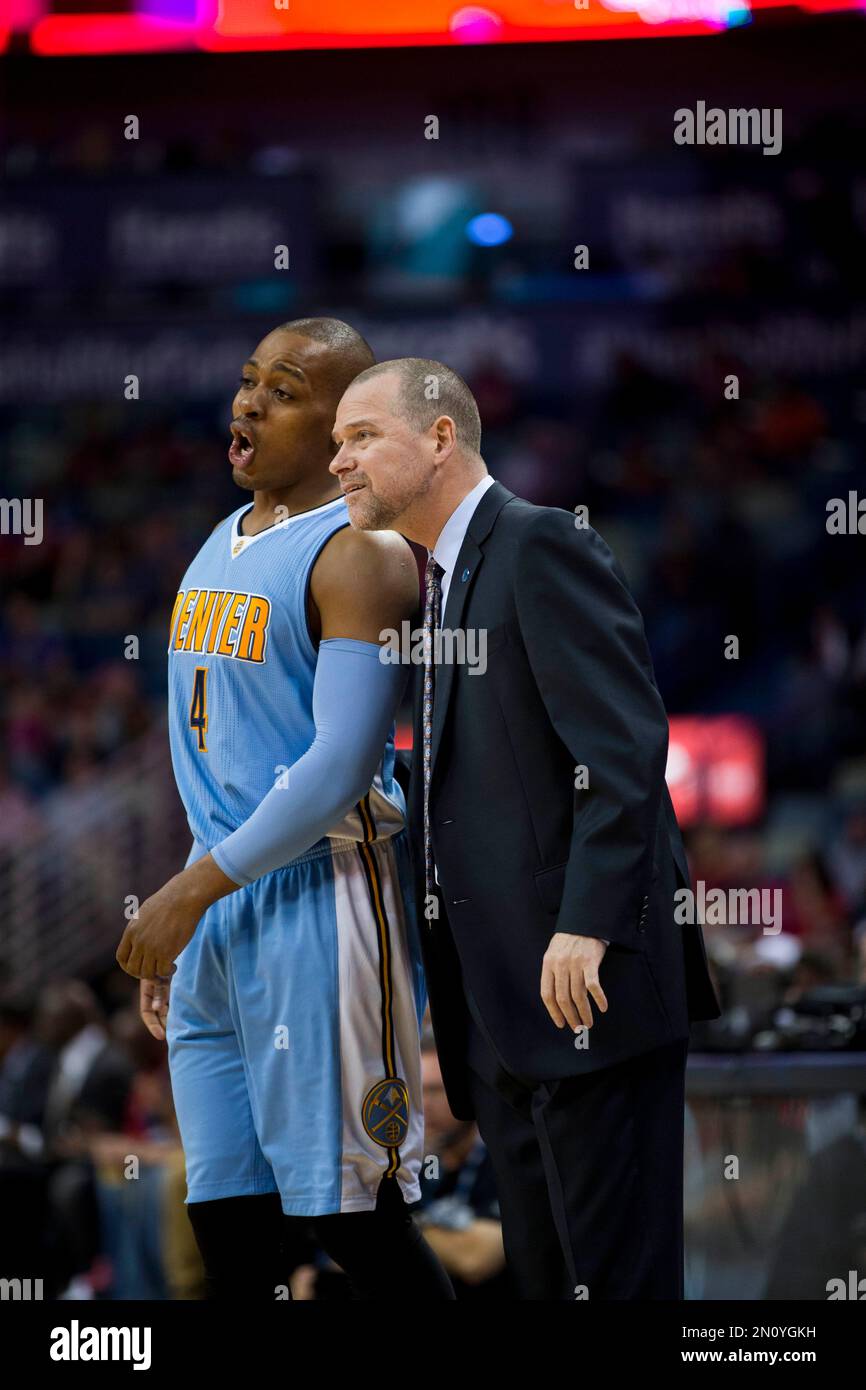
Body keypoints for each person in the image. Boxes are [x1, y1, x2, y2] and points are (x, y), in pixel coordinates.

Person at [330, 356, 721, 1300]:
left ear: (439, 437)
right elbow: (480, 777)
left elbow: (623, 751)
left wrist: (586, 922)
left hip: (586, 994)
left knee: (616, 1285)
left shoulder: (540, 545)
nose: (338, 462)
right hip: (496, 1018)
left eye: (360, 437)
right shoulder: (441, 582)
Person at [116, 321, 454, 1301]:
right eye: (246, 381)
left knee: (353, 1219)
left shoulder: (362, 554)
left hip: (323, 908)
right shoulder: (218, 542)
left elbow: (341, 763)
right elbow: (215, 758)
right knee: (228, 1225)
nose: (248, 403)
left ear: (344, 423)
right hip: (218, 911)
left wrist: (190, 889)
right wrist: (192, 910)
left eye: (285, 390)